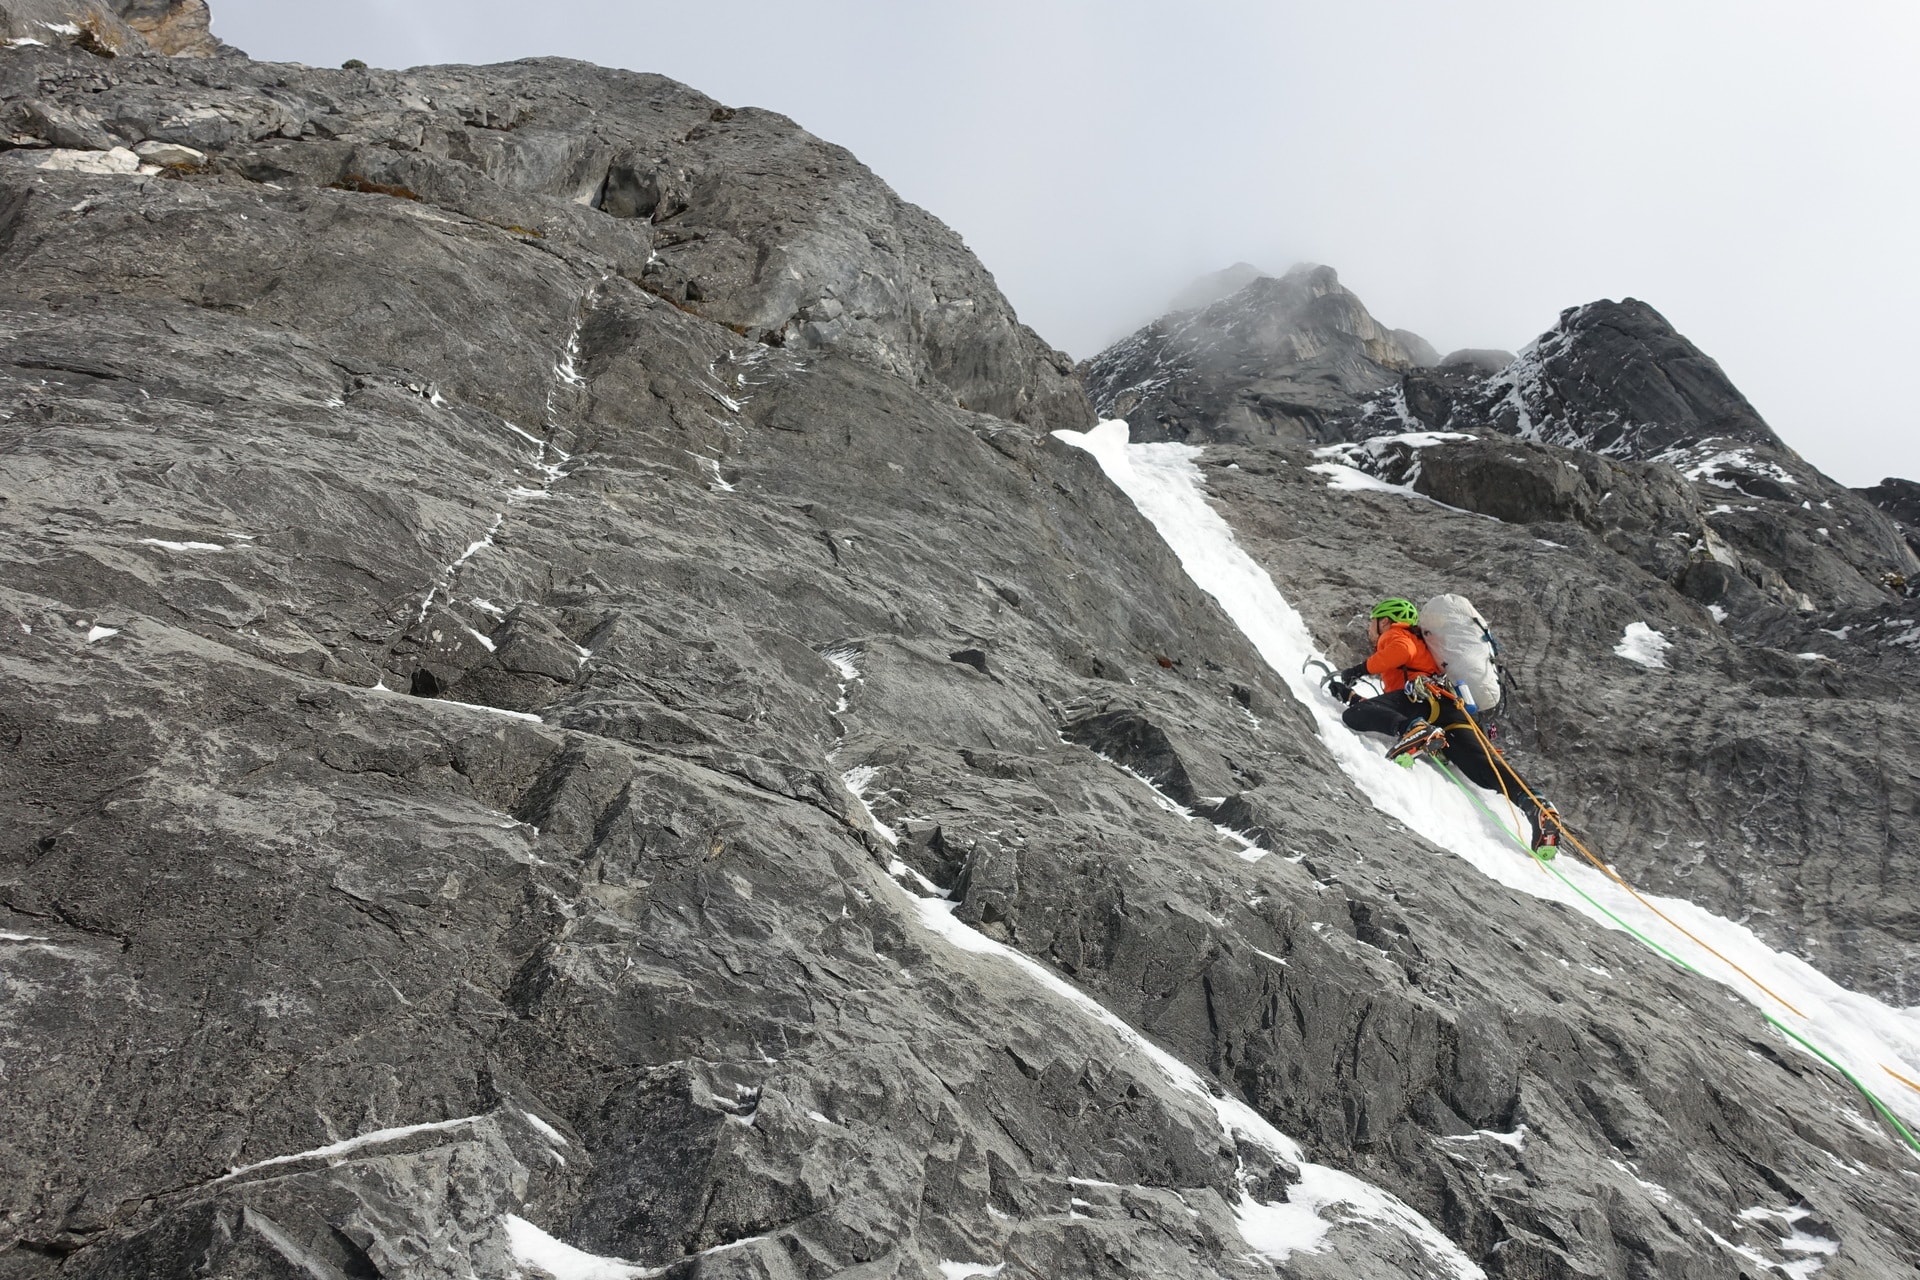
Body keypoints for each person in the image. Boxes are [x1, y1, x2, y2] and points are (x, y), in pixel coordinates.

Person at [1332, 598, 1560, 852]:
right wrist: (1351, 696)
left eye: (1372, 623)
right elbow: (1387, 705)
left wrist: (1359, 669)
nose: (1369, 630)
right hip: (1450, 707)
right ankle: (1535, 805)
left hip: (1421, 699)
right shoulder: (1425, 647)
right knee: (1483, 768)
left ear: (1384, 621)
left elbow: (1401, 653)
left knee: (1354, 716)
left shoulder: (1397, 634)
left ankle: (1413, 731)